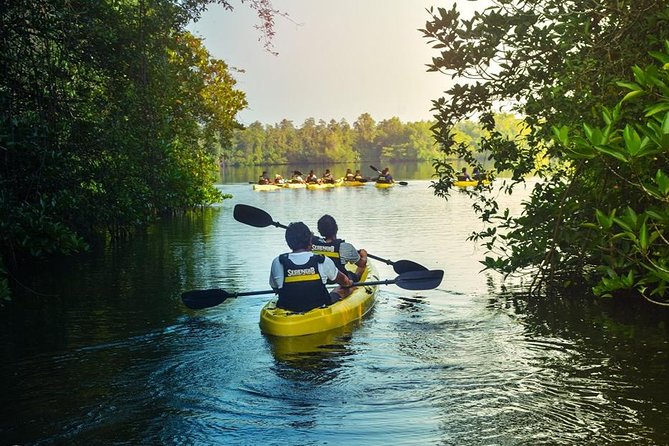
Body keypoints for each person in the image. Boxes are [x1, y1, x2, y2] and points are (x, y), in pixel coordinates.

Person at [270, 222, 354, 312]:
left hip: (288, 307)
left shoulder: (278, 261)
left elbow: (275, 288)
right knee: (343, 289)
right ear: (310, 240)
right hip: (320, 306)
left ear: (288, 242)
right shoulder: (322, 260)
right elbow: (344, 281)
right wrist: (350, 283)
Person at [312, 214, 368, 282]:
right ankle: (356, 279)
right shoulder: (344, 247)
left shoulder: (310, 244)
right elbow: (362, 263)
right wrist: (364, 255)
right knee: (362, 267)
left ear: (319, 231)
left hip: (319, 279)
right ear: (336, 228)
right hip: (340, 281)